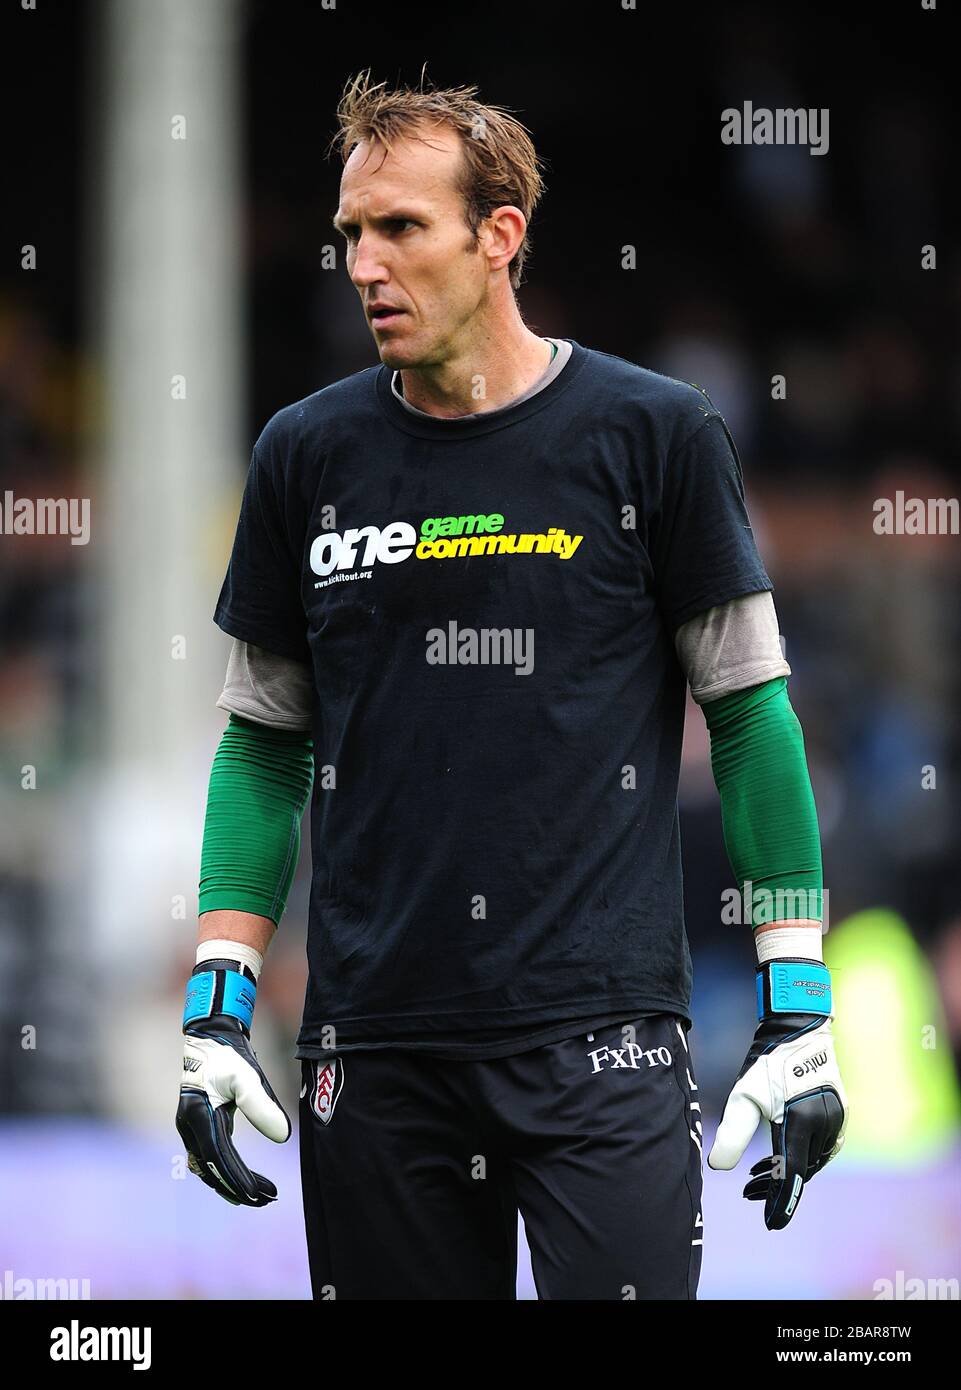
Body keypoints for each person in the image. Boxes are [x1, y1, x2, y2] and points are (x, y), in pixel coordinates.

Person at [176, 70, 848, 1301]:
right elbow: (266, 743)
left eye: (399, 228)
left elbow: (750, 717)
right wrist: (217, 1002)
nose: (364, 265)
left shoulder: (658, 435)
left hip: (605, 1044)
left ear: (499, 238)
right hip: (375, 1052)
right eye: (348, 236)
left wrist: (796, 1002)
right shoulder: (303, 454)